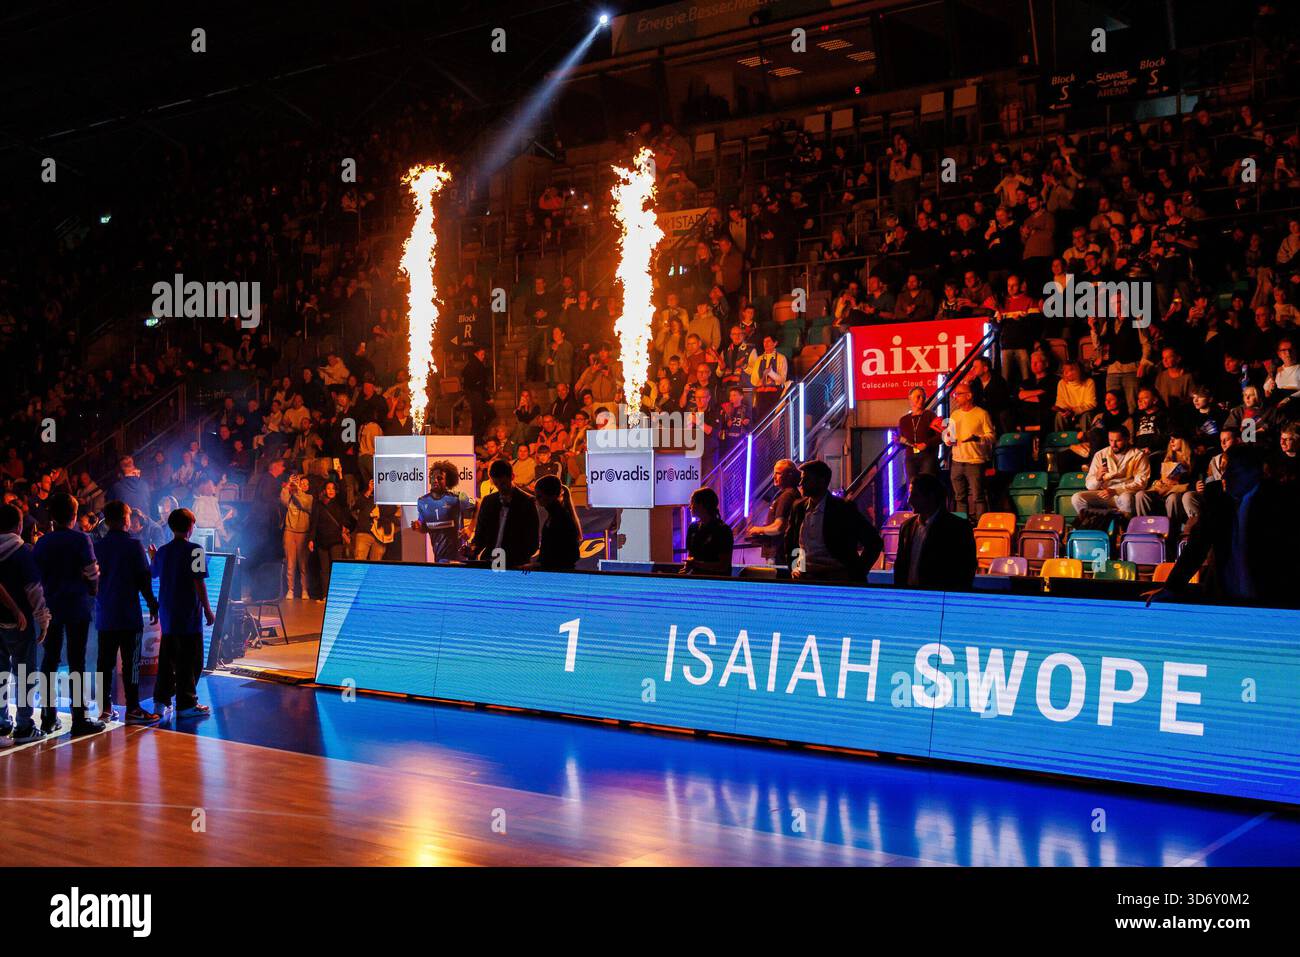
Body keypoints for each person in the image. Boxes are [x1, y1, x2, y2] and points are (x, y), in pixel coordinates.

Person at [1149, 445, 1300, 607]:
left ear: (1255, 472)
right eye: (1223, 469)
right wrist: (1171, 588)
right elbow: (1197, 545)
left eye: (1233, 471)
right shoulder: (1216, 498)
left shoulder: (1280, 502)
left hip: (1270, 599)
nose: (1225, 476)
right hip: (1222, 597)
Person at [33, 493, 101, 734]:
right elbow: (92, 573)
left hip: (51, 606)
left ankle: (48, 717)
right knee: (77, 661)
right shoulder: (82, 539)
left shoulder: (42, 543)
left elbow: (35, 578)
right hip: (77, 605)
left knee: (49, 660)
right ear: (74, 516)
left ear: (52, 516)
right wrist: (93, 590)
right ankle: (80, 718)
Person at [92, 501, 161, 725]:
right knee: (131, 663)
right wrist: (152, 603)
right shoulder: (134, 545)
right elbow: (143, 579)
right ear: (125, 519)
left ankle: (105, 708)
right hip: (128, 614)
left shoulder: (98, 546)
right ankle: (132, 708)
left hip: (105, 613)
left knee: (104, 663)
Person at [150, 508, 215, 718]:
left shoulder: (162, 551)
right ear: (190, 527)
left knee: (168, 657)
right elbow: (199, 582)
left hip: (168, 612)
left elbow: (154, 574)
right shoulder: (196, 550)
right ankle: (186, 703)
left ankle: (161, 701)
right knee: (191, 659)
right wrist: (207, 608)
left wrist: (153, 557)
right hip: (188, 612)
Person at [0, 503, 51, 743]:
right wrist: (43, 620)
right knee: (25, 673)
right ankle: (24, 725)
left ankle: (1, 722)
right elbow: (34, 591)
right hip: (19, 622)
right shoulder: (22, 553)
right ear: (19, 526)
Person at [784, 460, 883, 582]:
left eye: (806, 479)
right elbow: (791, 542)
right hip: (806, 576)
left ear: (822, 481)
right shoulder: (798, 508)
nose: (801, 483)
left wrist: (857, 572)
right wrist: (795, 568)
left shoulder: (843, 508)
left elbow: (874, 542)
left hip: (836, 577)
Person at [892, 473, 977, 591]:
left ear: (931, 497)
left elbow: (966, 569)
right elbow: (900, 566)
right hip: (909, 600)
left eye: (915, 495)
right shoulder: (906, 527)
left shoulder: (957, 528)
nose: (909, 500)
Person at [1071, 425, 1151, 518]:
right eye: (1111, 440)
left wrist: (1116, 491)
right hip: (1104, 494)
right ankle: (1090, 524)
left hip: (1124, 492)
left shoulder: (1138, 455)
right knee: (1077, 498)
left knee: (1126, 498)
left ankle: (1125, 528)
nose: (1113, 445)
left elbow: (1141, 483)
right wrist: (1098, 478)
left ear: (1127, 439)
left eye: (1118, 441)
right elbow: (1089, 486)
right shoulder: (1100, 454)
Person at [471, 460, 539, 569]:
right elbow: (480, 536)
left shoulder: (527, 502)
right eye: (496, 483)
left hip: (515, 563)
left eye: (503, 483)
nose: (500, 487)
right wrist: (472, 548)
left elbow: (532, 542)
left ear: (512, 477)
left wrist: (517, 560)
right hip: (490, 561)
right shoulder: (488, 501)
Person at [944, 383, 995, 519]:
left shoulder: (981, 414)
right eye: (955, 395)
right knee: (959, 497)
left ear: (969, 396)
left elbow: (991, 436)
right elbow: (949, 436)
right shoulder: (954, 415)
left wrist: (977, 438)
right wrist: (948, 439)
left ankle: (981, 527)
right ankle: (963, 527)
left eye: (958, 394)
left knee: (978, 497)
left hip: (975, 461)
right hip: (957, 461)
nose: (955, 398)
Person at [413, 460, 475, 563]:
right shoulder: (422, 502)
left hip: (459, 560)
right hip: (439, 561)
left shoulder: (457, 498)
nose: (435, 480)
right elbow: (424, 527)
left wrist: (470, 529)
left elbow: (479, 504)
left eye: (440, 478)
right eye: (432, 477)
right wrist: (418, 526)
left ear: (448, 481)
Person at [745, 460, 800, 562]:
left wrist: (758, 530)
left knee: (776, 576)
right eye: (774, 473)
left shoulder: (786, 496)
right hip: (785, 552)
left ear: (789, 475)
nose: (774, 477)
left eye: (778, 473)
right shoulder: (792, 494)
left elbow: (779, 527)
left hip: (779, 553)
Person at [525, 475, 581, 571]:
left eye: (539, 496)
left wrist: (539, 565)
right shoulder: (556, 515)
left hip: (558, 575)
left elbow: (570, 554)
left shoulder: (561, 518)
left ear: (551, 496)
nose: (537, 500)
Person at [308, 480, 351, 601]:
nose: (331, 491)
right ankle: (326, 595)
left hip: (335, 540)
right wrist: (311, 539)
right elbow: (314, 523)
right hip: (322, 541)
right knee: (324, 570)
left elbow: (344, 494)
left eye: (333, 488)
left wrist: (341, 477)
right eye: (328, 488)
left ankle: (336, 595)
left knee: (336, 568)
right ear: (324, 490)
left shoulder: (339, 503)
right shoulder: (318, 504)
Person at [897, 387, 943, 491]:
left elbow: (941, 435)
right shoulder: (904, 420)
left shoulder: (930, 415)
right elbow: (901, 443)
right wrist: (898, 441)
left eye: (923, 397)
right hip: (910, 457)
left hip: (927, 456)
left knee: (927, 486)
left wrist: (927, 444)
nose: (921, 399)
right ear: (910, 399)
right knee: (912, 486)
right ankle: (915, 506)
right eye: (918, 397)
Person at [682, 487, 733, 576]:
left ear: (701, 504)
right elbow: (690, 556)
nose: (690, 506)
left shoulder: (723, 530)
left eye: (692, 502)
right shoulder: (693, 528)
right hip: (696, 580)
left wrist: (696, 564)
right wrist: (688, 566)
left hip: (717, 582)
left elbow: (723, 566)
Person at [280, 471, 313, 599]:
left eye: (305, 484)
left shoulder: (309, 497)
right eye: (300, 482)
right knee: (290, 563)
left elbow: (304, 504)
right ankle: (290, 589)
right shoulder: (291, 496)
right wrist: (289, 484)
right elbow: (283, 500)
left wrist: (298, 489)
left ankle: (305, 589)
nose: (303, 485)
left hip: (303, 532)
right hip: (290, 531)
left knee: (303, 564)